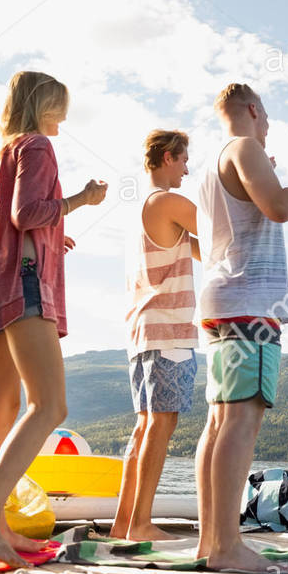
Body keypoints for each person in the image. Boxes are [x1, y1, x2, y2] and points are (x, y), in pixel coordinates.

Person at [0, 71, 107, 567]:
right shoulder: (36, 146)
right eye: (60, 105)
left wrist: (49, 233)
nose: (64, 116)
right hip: (23, 283)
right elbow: (27, 213)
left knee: (2, 407)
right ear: (44, 105)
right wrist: (81, 199)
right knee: (49, 406)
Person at [194, 83, 288, 571]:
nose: (268, 125)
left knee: (219, 422)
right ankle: (227, 548)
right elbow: (280, 207)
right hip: (248, 303)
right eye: (268, 116)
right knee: (241, 420)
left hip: (221, 302)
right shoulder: (245, 148)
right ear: (254, 110)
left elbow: (253, 209)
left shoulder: (219, 162)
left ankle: (211, 544)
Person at [111, 129, 202, 542]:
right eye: (184, 160)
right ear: (168, 157)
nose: (187, 168)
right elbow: (224, 228)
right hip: (168, 331)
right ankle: (142, 524)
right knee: (161, 426)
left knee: (145, 426)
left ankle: (124, 523)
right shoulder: (166, 201)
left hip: (143, 331)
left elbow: (206, 248)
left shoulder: (143, 210)